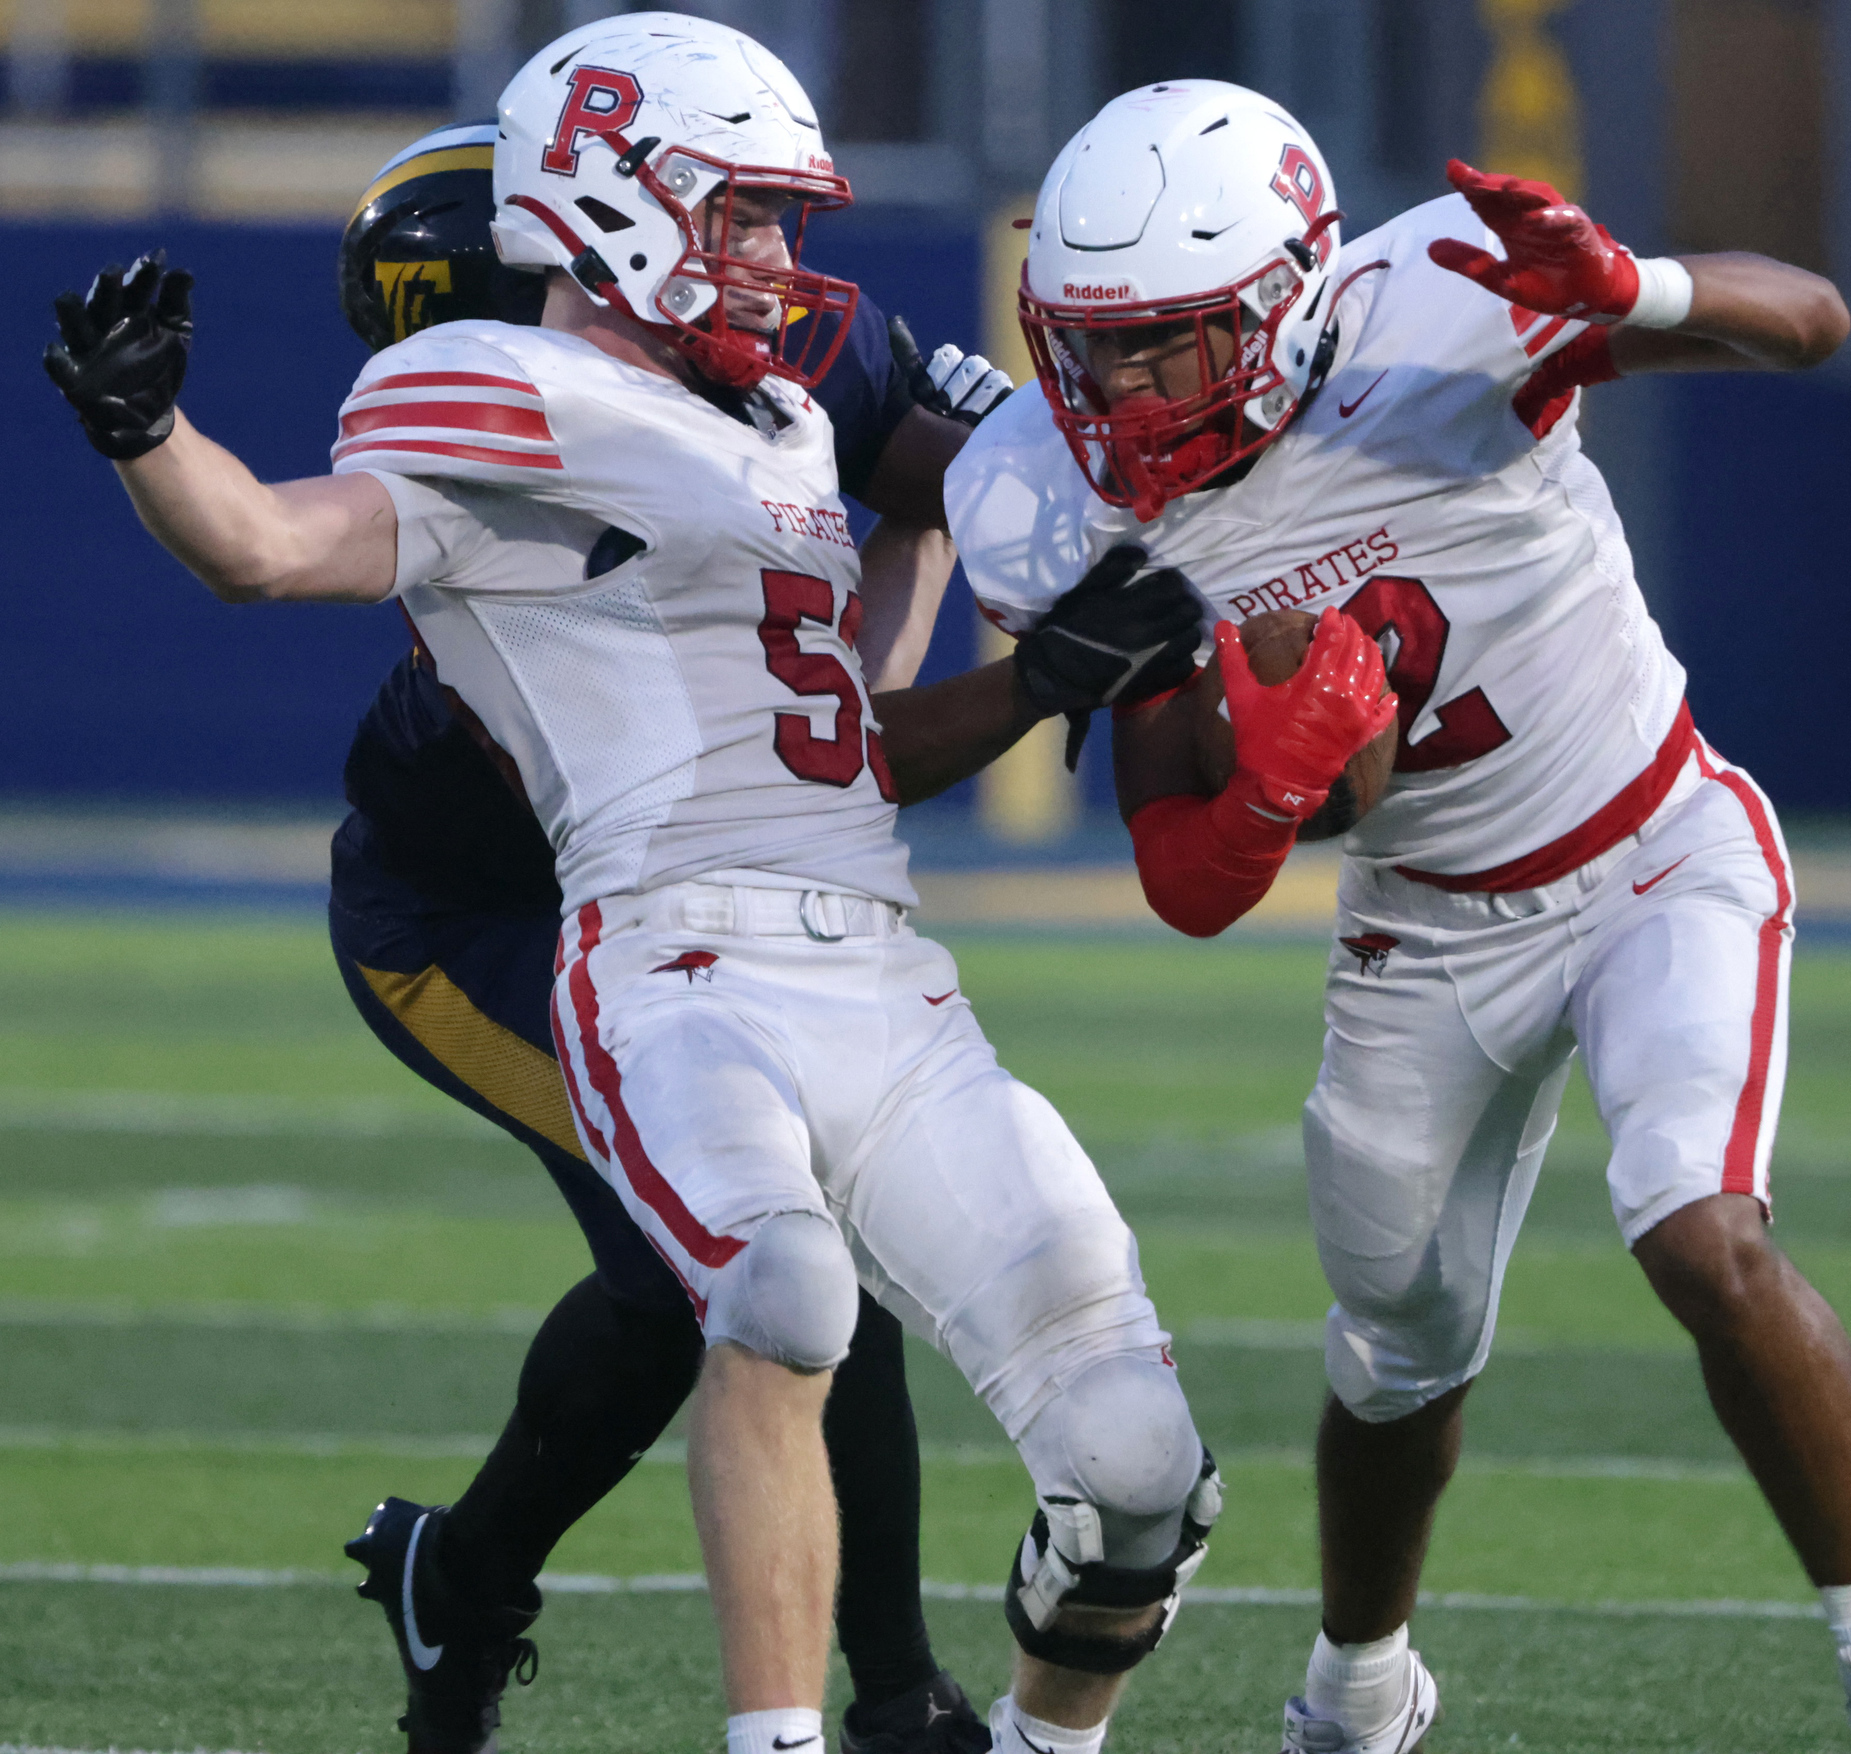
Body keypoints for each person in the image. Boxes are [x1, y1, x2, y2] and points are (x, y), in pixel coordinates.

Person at [43, 19, 1220, 1754]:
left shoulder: (788, 423)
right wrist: (149, 431)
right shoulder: (513, 399)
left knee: (1111, 1431)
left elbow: (854, 737)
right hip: (542, 934)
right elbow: (276, 544)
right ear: (612, 208)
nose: (777, 262)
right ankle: (850, 1706)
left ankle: (497, 1576)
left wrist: (1036, 641)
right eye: (739, 219)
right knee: (766, 1283)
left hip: (858, 950)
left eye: (777, 221)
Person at [943, 78, 1851, 1754]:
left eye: (1169, 344)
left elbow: (1813, 319)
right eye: (1094, 343)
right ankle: (1360, 1687)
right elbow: (1183, 879)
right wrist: (1273, 788)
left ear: (1286, 307)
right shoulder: (1067, 498)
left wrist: (1633, 291)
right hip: (1422, 925)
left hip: (1654, 849)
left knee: (1698, 1227)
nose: (1121, 391)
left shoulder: (1446, 308)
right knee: (1392, 1351)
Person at [325, 119, 1009, 1754]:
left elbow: (898, 524)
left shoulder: (783, 353)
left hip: (672, 907)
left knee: (752, 1256)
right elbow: (796, 728)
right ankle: (890, 1692)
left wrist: (997, 464)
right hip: (478, 928)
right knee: (734, 1259)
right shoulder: (494, 525)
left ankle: (468, 1571)